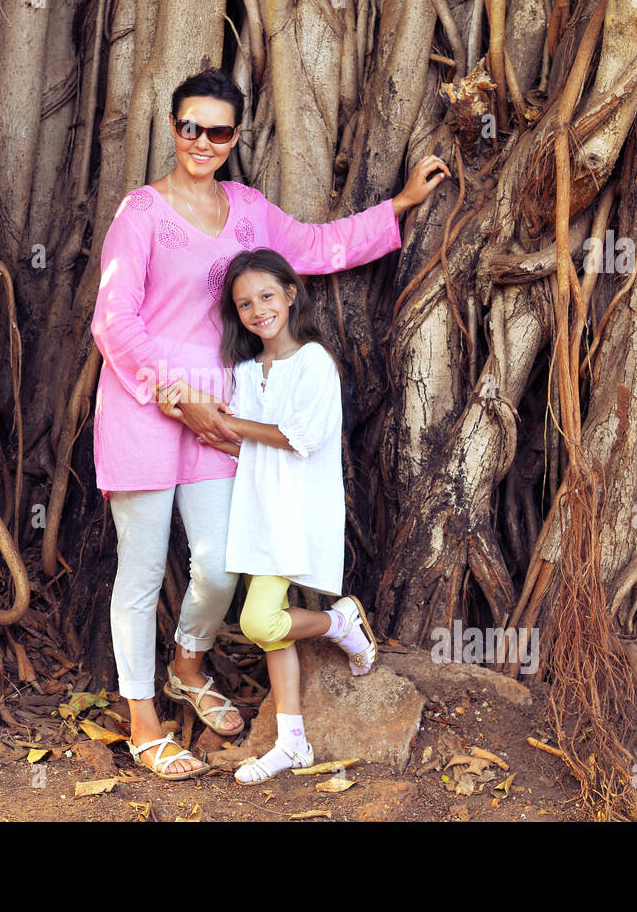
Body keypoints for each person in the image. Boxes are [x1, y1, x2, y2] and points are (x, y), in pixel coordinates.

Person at [91, 66, 450, 779]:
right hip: (144, 404)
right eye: (188, 126)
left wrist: (401, 206)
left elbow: (313, 248)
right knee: (138, 573)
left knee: (223, 564)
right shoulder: (140, 212)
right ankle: (142, 721)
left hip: (224, 415)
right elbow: (112, 318)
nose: (201, 140)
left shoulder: (250, 211)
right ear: (172, 127)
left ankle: (188, 661)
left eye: (216, 129)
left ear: (234, 136)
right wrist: (174, 392)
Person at [163, 248, 374, 785]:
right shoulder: (245, 370)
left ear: (290, 294)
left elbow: (296, 438)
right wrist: (195, 417)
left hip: (295, 512)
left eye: (265, 296)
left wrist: (222, 415)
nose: (258, 310)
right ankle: (293, 742)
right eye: (244, 304)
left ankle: (339, 622)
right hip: (259, 513)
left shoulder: (314, 363)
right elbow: (246, 450)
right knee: (270, 629)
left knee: (260, 621)